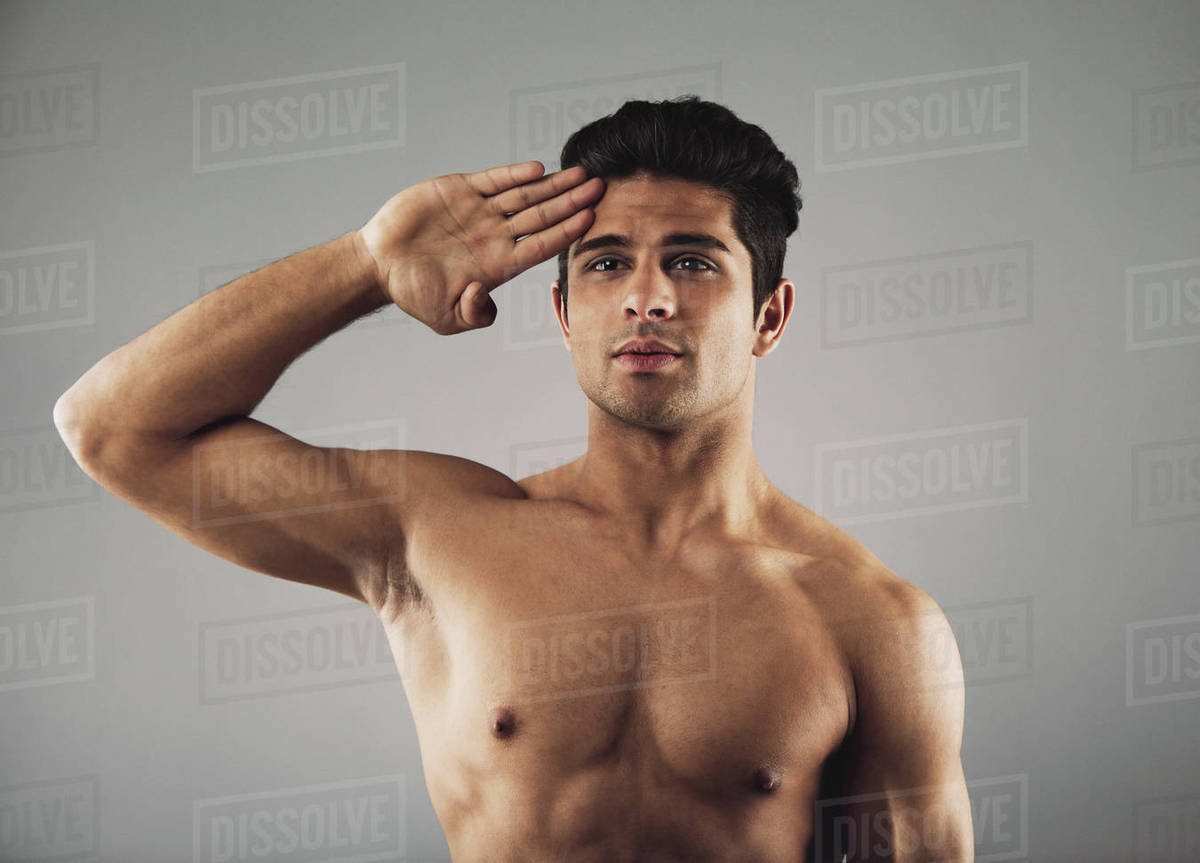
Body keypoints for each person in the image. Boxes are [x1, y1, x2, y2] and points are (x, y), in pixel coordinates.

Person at [54, 96, 972, 862]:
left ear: (769, 314)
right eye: (608, 262)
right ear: (565, 311)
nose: (646, 297)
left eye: (691, 262)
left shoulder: (872, 622)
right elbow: (114, 428)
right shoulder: (439, 535)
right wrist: (368, 265)